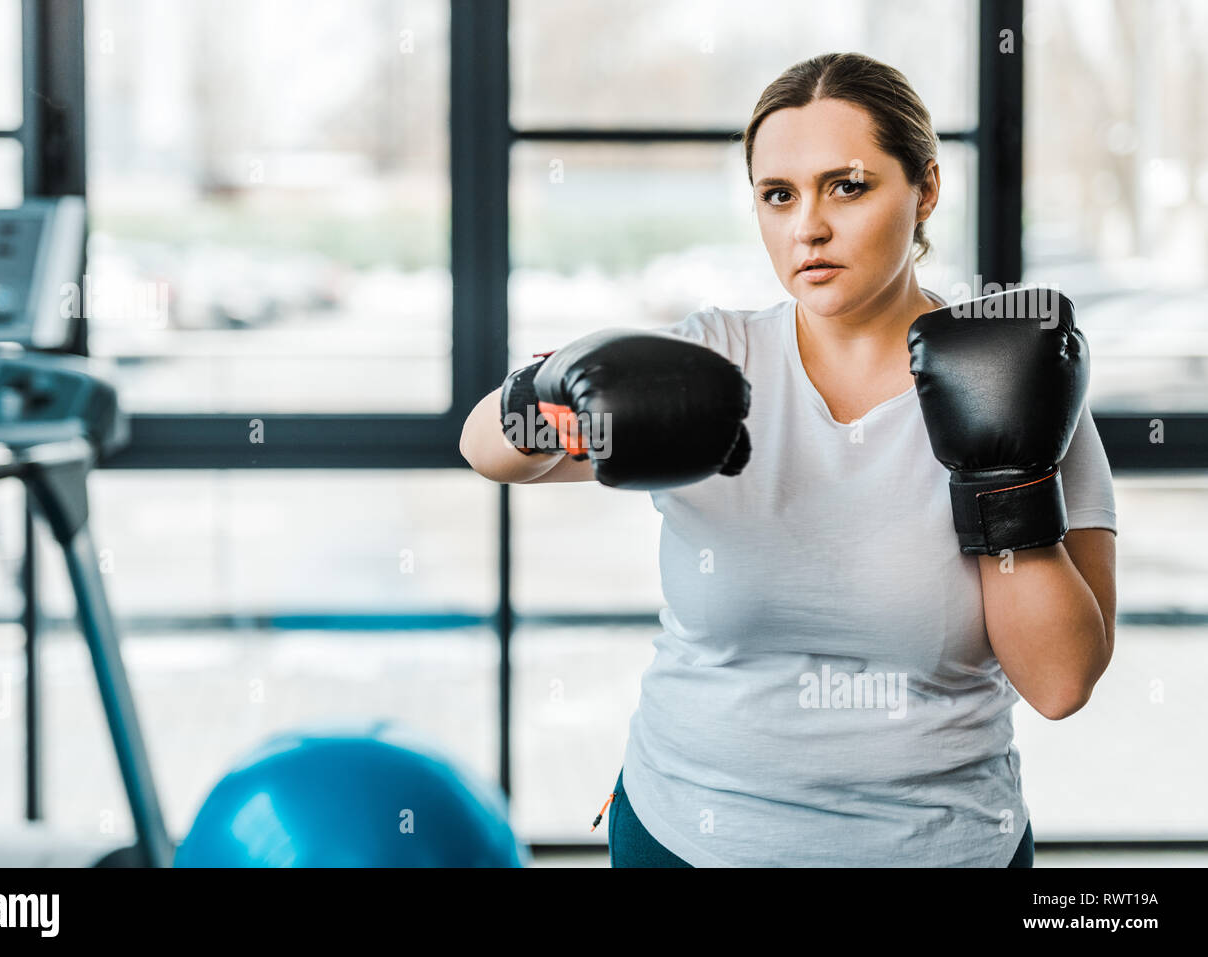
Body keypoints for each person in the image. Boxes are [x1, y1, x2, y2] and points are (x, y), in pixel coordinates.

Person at [458, 52, 1117, 867]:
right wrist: (549, 381)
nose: (807, 225)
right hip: (689, 834)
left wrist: (1001, 479)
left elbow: (1059, 683)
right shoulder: (713, 360)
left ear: (926, 191)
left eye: (847, 185)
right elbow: (487, 446)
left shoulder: (1016, 378)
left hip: (942, 850)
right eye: (779, 195)